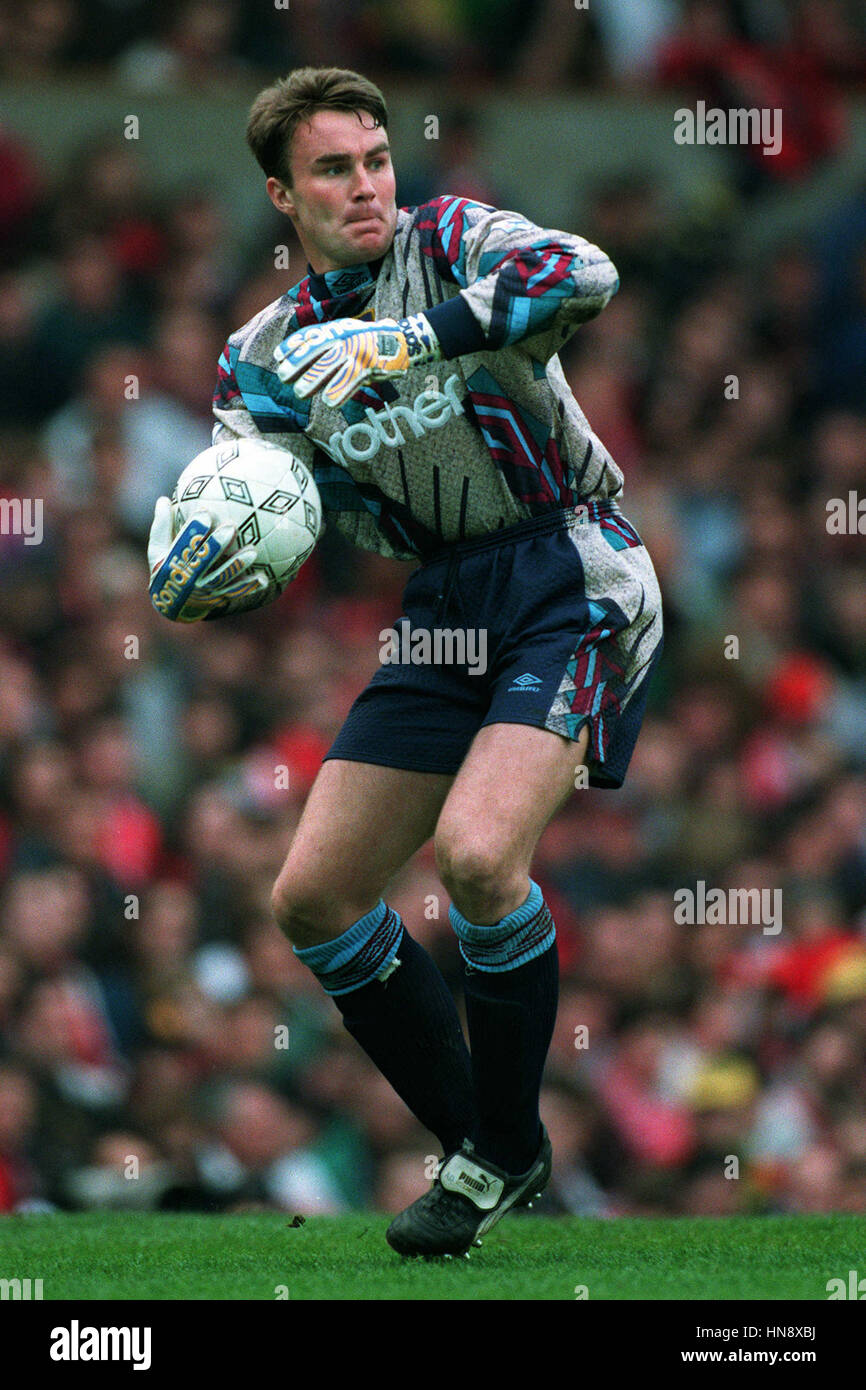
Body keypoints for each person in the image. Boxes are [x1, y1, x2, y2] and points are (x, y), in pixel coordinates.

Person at [146, 65, 664, 1257]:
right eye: (333, 168)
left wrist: (412, 338)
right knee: (312, 899)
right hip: (442, 603)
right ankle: (497, 1149)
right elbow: (269, 505)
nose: (366, 185)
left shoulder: (456, 239)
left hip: (568, 566)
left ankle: (488, 1156)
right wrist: (209, 564)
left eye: (375, 159)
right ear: (283, 194)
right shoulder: (259, 360)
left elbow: (584, 273)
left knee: (481, 857)